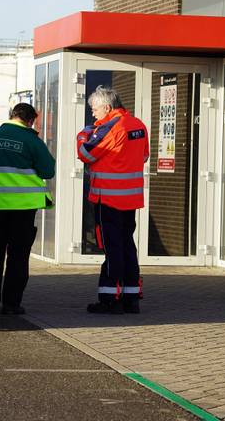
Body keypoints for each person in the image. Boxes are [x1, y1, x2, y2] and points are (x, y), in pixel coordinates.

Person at [76, 85, 149, 314]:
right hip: (131, 198)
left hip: (107, 198)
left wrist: (82, 135)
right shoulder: (138, 125)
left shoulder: (110, 127)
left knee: (112, 248)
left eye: (95, 109)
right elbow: (144, 155)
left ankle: (110, 298)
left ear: (107, 108)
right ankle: (131, 297)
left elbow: (85, 153)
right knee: (127, 245)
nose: (93, 114)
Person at [0, 103, 55, 314]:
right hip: (24, 210)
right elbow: (48, 170)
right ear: (30, 120)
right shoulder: (32, 140)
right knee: (18, 258)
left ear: (11, 115)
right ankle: (11, 305)